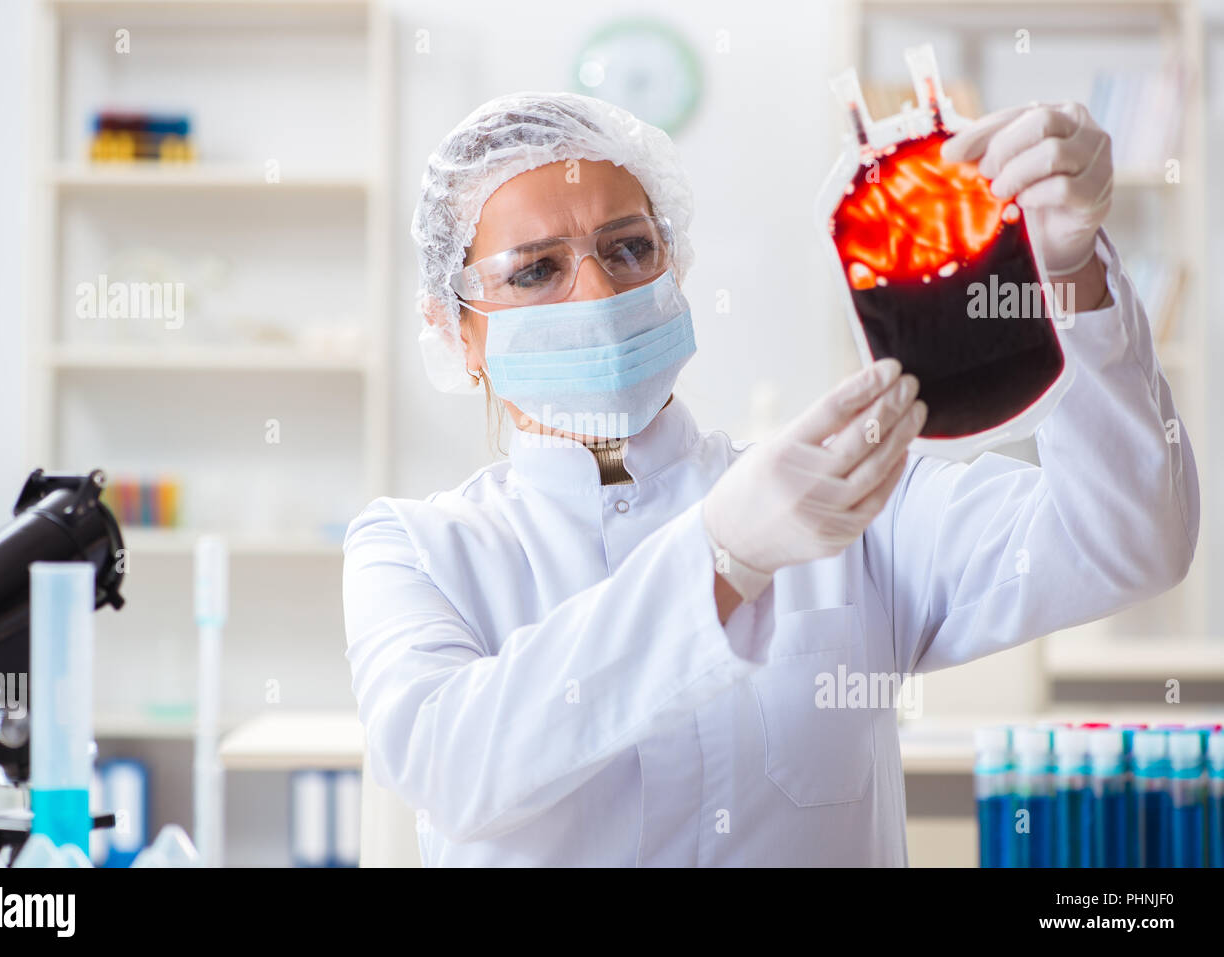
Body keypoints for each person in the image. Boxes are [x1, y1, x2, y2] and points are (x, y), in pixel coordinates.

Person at [342, 91, 1199, 866]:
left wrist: (1071, 275)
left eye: (629, 247)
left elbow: (1128, 543)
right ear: (454, 330)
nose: (596, 290)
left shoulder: (843, 497)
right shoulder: (416, 549)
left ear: (673, 268)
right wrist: (722, 556)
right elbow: (449, 762)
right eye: (536, 269)